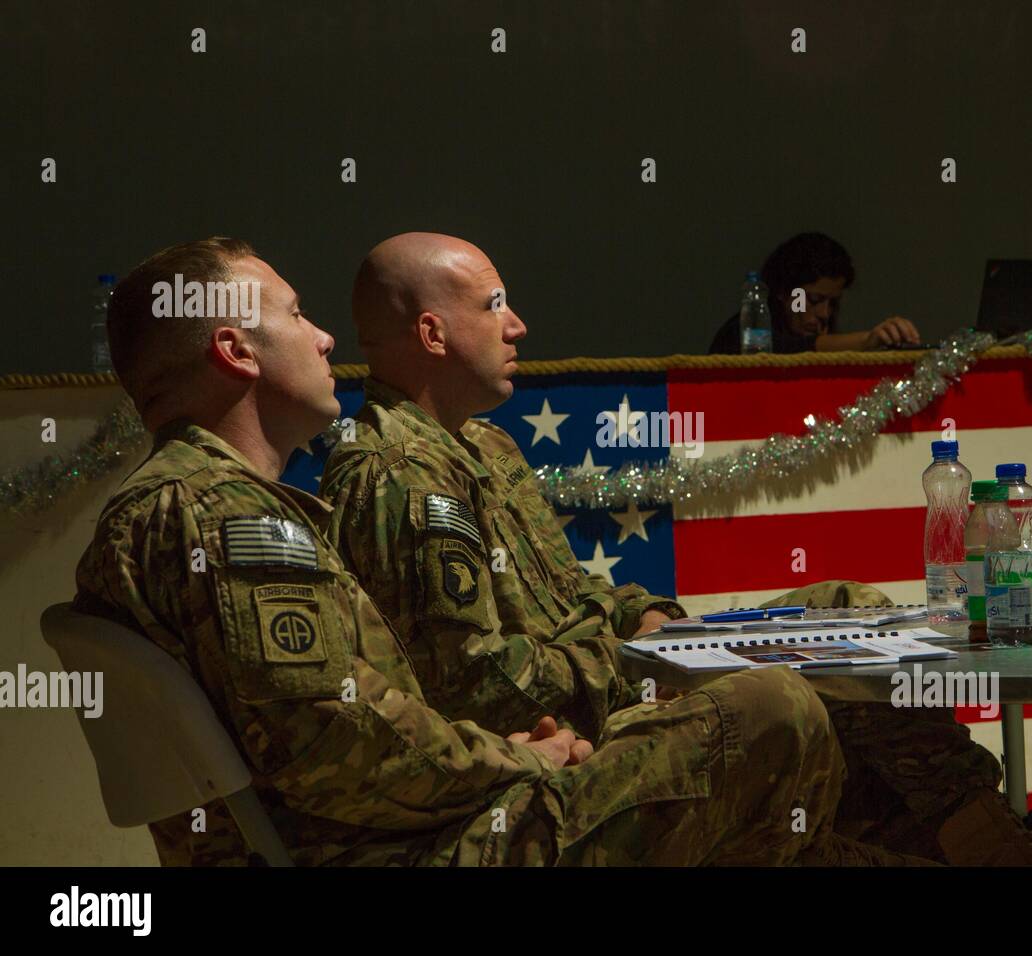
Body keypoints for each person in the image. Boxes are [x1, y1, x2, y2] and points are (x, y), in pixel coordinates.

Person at [72, 236, 902, 867]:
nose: (325, 338)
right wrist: (528, 759)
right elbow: (342, 753)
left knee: (789, 701)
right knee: (772, 711)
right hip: (398, 850)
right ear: (235, 350)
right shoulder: (217, 516)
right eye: (295, 316)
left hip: (406, 829)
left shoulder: (199, 506)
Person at [322, 232, 1032, 865]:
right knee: (774, 699)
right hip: (576, 726)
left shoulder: (487, 443)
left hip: (617, 676)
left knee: (843, 606)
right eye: (493, 307)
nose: (517, 324)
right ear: (431, 335)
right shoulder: (398, 475)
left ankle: (974, 836)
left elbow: (574, 593)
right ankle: (980, 848)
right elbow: (473, 683)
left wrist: (651, 615)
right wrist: (643, 662)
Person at [708, 232, 920, 353]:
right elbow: (790, 349)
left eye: (832, 304)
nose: (824, 314)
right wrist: (867, 341)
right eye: (814, 300)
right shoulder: (740, 334)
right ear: (783, 292)